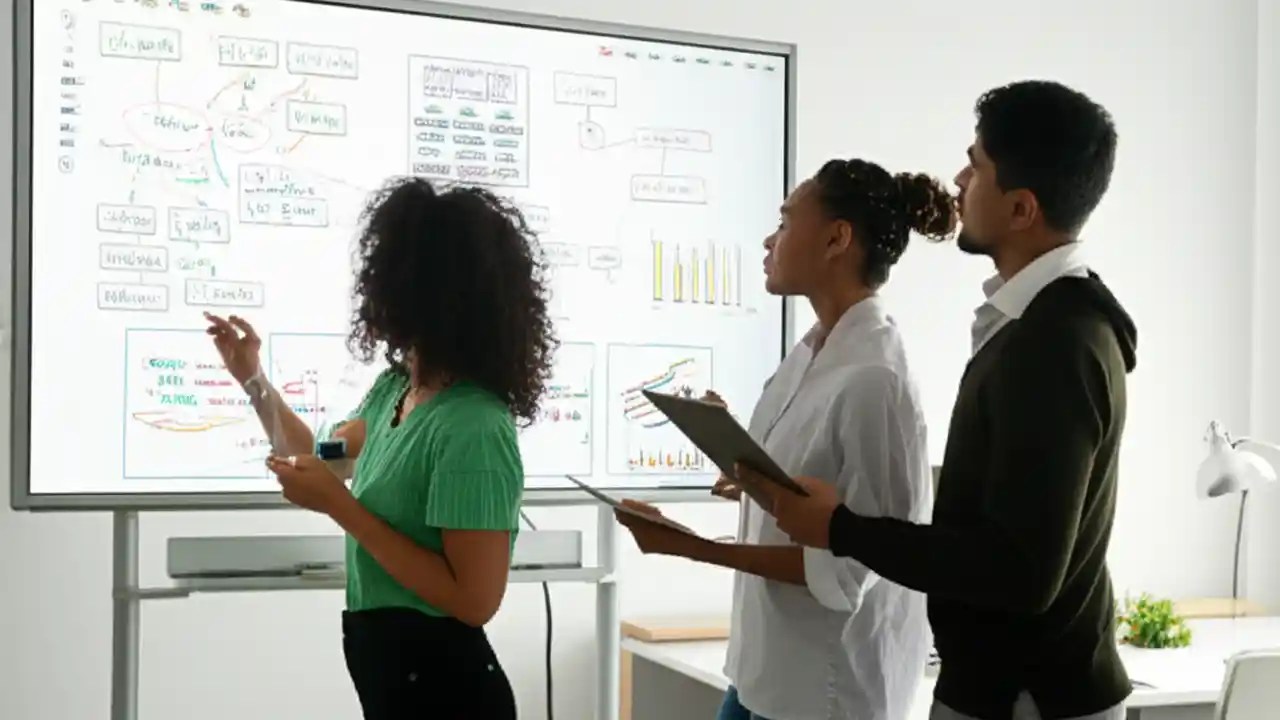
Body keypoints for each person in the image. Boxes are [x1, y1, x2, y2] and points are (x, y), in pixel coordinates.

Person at [754, 80, 1137, 720]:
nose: (958, 180)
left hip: (1027, 699)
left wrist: (842, 530)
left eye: (977, 165)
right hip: (1001, 688)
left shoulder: (1056, 342)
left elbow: (1020, 572)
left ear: (1021, 209)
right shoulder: (1036, 324)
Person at [615, 158, 956, 720]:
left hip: (826, 693)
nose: (770, 240)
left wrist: (693, 547)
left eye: (785, 220)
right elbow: (807, 492)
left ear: (836, 238)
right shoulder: (813, 350)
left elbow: (852, 570)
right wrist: (748, 472)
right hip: (761, 676)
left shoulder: (876, 379)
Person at [204, 177, 556, 720]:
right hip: (391, 676)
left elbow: (475, 601)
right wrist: (252, 380)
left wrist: (341, 509)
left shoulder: (474, 426)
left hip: (448, 692)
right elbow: (320, 457)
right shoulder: (396, 390)